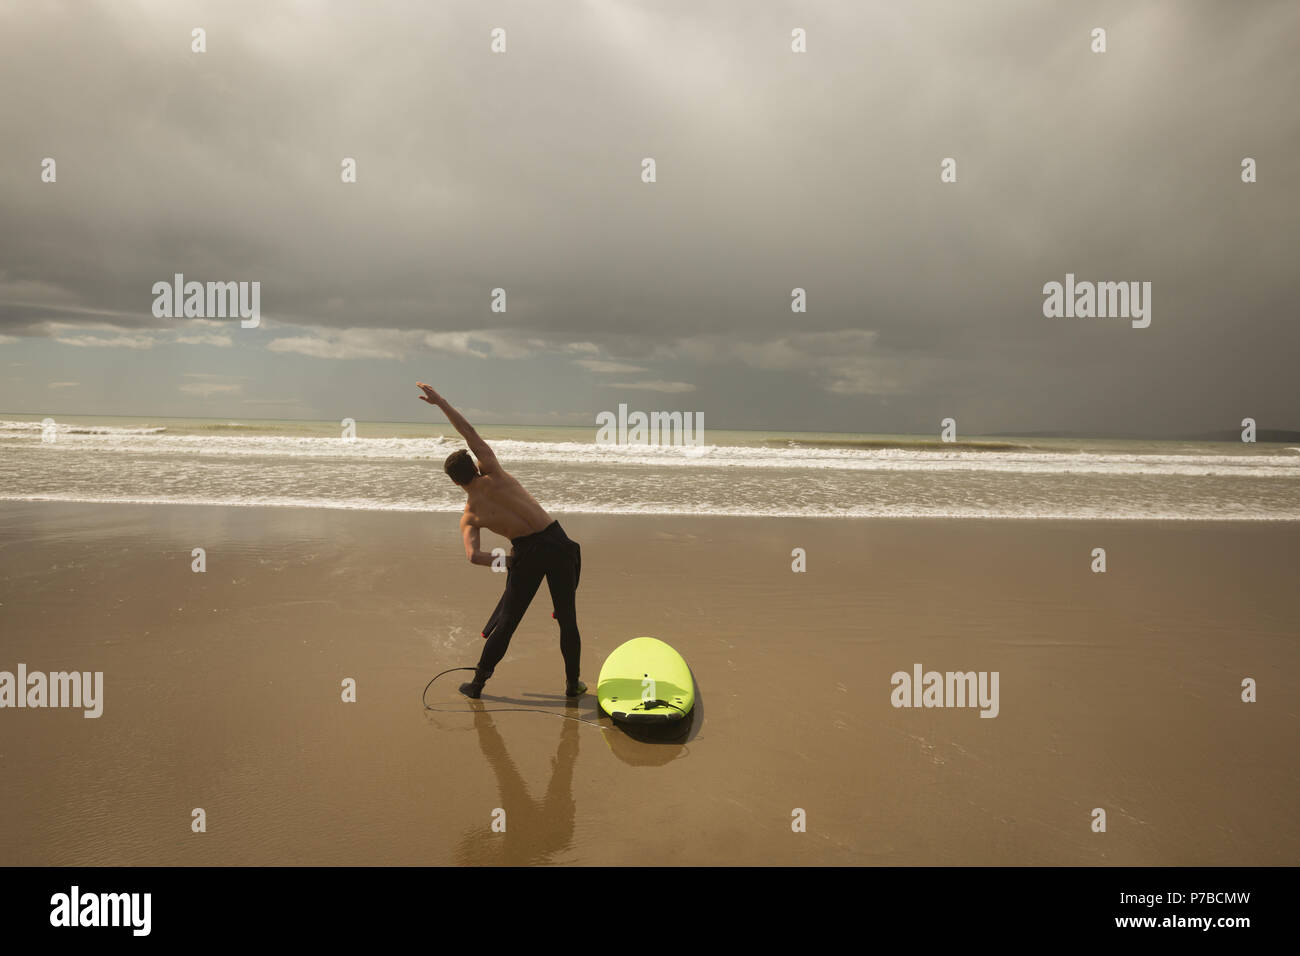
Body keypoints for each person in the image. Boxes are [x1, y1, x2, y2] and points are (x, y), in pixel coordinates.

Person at [417, 382, 586, 700]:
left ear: (455, 481)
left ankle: (477, 685)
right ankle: (572, 685)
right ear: (475, 463)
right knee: (567, 619)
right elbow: (467, 430)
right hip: (557, 541)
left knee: (507, 623)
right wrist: (441, 402)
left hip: (525, 554)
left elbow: (474, 556)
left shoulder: (470, 515)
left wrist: (507, 561)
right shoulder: (494, 470)